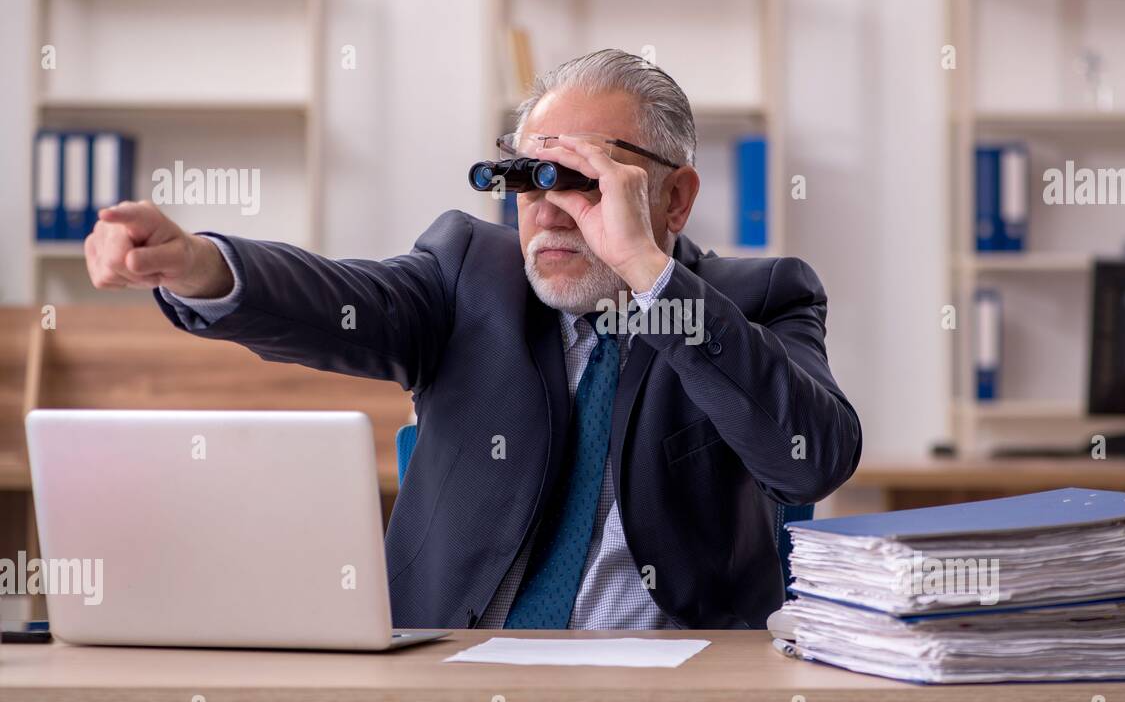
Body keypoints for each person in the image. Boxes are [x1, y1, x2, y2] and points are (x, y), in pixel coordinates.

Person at [83, 48, 862, 630]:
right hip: (449, 688)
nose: (547, 210)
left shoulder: (758, 298)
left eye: (581, 179)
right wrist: (195, 264)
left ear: (676, 196)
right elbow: (337, 299)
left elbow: (812, 458)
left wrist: (651, 278)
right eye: (527, 178)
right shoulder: (467, 276)